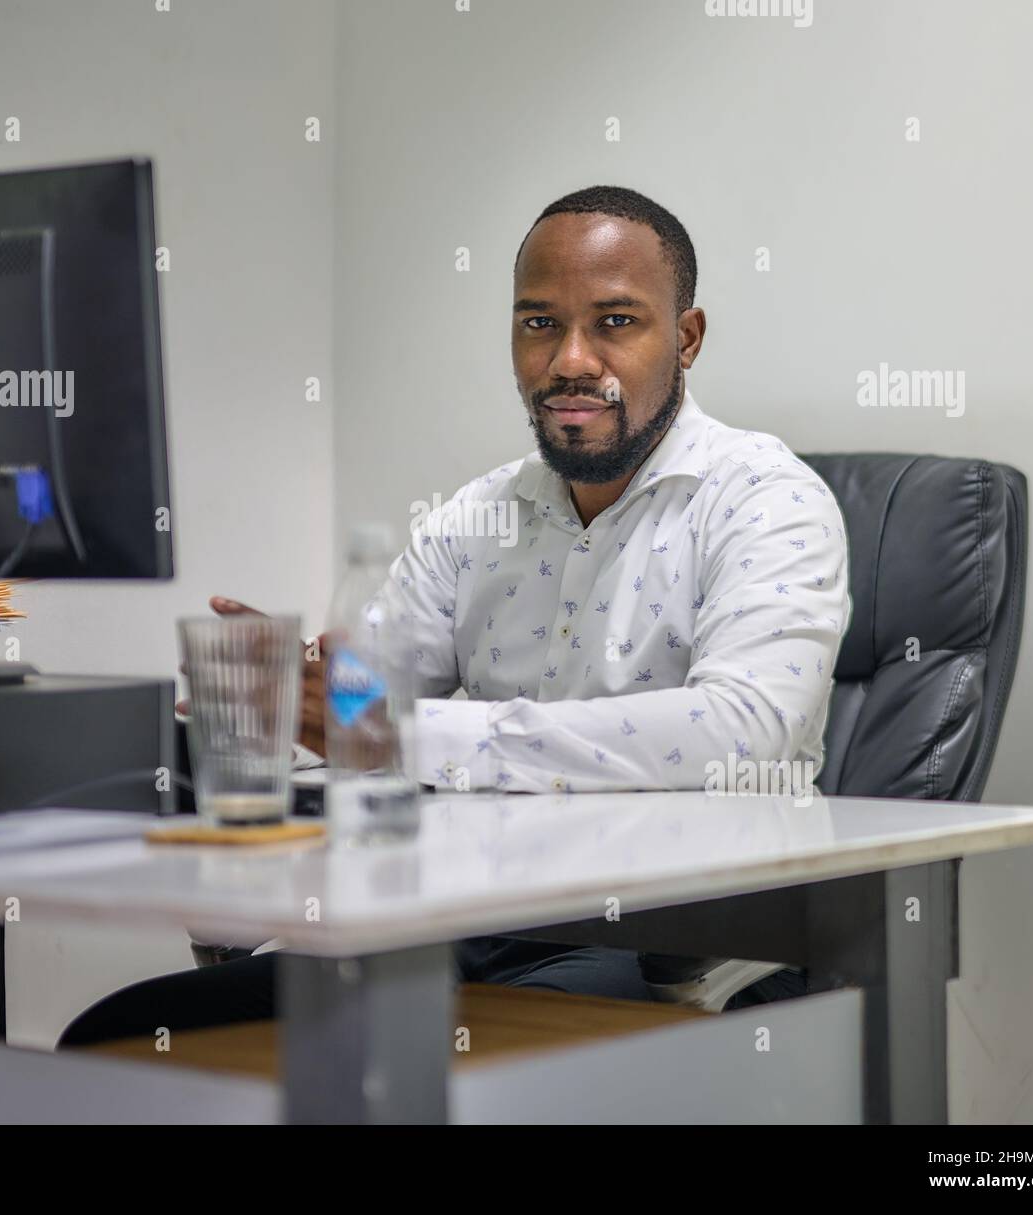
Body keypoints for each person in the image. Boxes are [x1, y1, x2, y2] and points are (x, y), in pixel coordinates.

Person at [60, 185, 850, 1046]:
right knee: (124, 1035)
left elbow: (746, 728)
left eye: (616, 322)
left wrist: (404, 731)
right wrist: (296, 697)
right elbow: (374, 714)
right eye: (539, 324)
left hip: (663, 949)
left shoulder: (767, 500)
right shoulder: (477, 516)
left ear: (687, 337)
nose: (571, 360)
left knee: (431, 1064)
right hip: (453, 920)